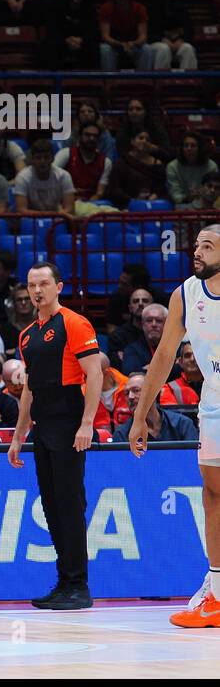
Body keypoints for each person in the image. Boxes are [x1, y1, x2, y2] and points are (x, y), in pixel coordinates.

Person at [128, 223, 220, 624]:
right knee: (213, 495)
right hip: (215, 404)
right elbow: (164, 357)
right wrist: (138, 415)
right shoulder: (185, 294)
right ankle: (217, 592)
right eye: (196, 244)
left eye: (208, 246)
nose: (196, 252)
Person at [8, 261, 103, 611]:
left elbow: (94, 374)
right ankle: (65, 582)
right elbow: (29, 387)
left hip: (68, 418)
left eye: (44, 283)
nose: (37, 290)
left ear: (59, 286)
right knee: (50, 505)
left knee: (69, 503)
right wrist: (19, 436)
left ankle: (79, 585)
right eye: (32, 285)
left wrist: (87, 423)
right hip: (43, 423)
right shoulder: (27, 334)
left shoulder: (75, 324)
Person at [98, 0, 155, 71]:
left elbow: (143, 37)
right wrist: (120, 45)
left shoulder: (140, 8)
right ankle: (109, 82)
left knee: (147, 49)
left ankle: (144, 82)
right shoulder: (106, 8)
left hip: (133, 45)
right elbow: (105, 36)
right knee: (104, 49)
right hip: (114, 45)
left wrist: (131, 44)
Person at [12, 139, 76, 215]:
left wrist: (56, 215)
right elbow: (21, 210)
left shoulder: (64, 176)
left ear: (52, 159)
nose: (43, 161)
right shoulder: (22, 178)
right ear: (32, 159)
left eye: (46, 157)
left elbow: (70, 209)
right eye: (38, 158)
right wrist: (50, 215)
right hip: (31, 221)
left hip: (56, 217)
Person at [55, 121, 114, 203]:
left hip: (91, 204)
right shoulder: (65, 154)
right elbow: (52, 179)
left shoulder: (106, 162)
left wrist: (86, 205)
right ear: (80, 136)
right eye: (87, 135)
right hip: (65, 200)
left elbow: (99, 193)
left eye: (95, 136)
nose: (91, 138)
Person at [167, 131, 218, 207]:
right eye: (186, 145)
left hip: (208, 205)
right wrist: (190, 197)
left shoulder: (211, 166)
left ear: (200, 148)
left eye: (193, 146)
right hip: (182, 207)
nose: (189, 148)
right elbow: (176, 196)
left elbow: (215, 191)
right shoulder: (172, 167)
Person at [121, 302, 168, 374]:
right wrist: (168, 367)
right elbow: (131, 373)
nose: (154, 324)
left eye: (159, 321)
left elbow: (182, 370)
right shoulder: (132, 349)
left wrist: (147, 368)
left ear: (166, 324)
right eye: (149, 320)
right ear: (142, 324)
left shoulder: (178, 347)